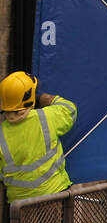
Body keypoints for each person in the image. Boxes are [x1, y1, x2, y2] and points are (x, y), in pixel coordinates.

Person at [0, 71, 76, 203]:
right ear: (29, 97)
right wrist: (44, 98)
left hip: (19, 205)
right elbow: (70, 109)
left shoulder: (2, 132)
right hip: (53, 195)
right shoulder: (46, 117)